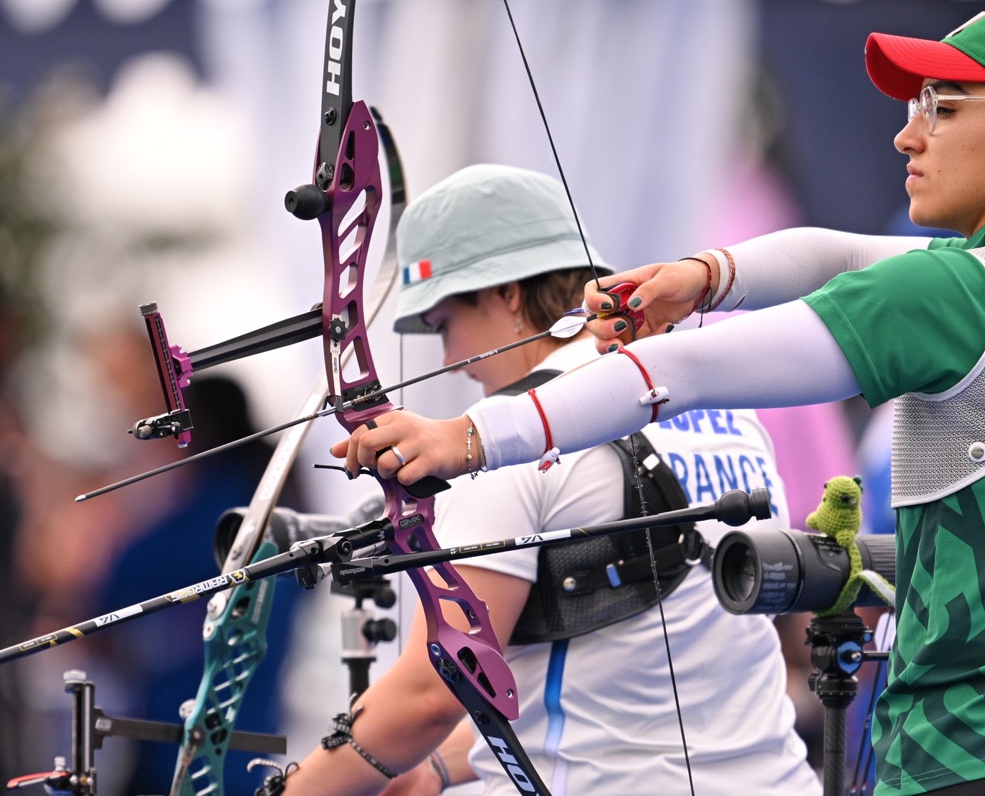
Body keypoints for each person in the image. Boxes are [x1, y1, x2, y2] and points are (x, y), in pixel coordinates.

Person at [339, 2, 985, 795]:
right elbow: (837, 256)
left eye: (945, 110)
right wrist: (704, 275)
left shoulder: (963, 294)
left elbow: (680, 373)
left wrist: (464, 439)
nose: (907, 136)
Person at [279, 164, 821, 796]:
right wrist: (435, 766)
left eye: (443, 321)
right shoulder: (726, 411)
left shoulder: (498, 442)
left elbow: (437, 687)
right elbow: (625, 664)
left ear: (506, 295)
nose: (451, 357)